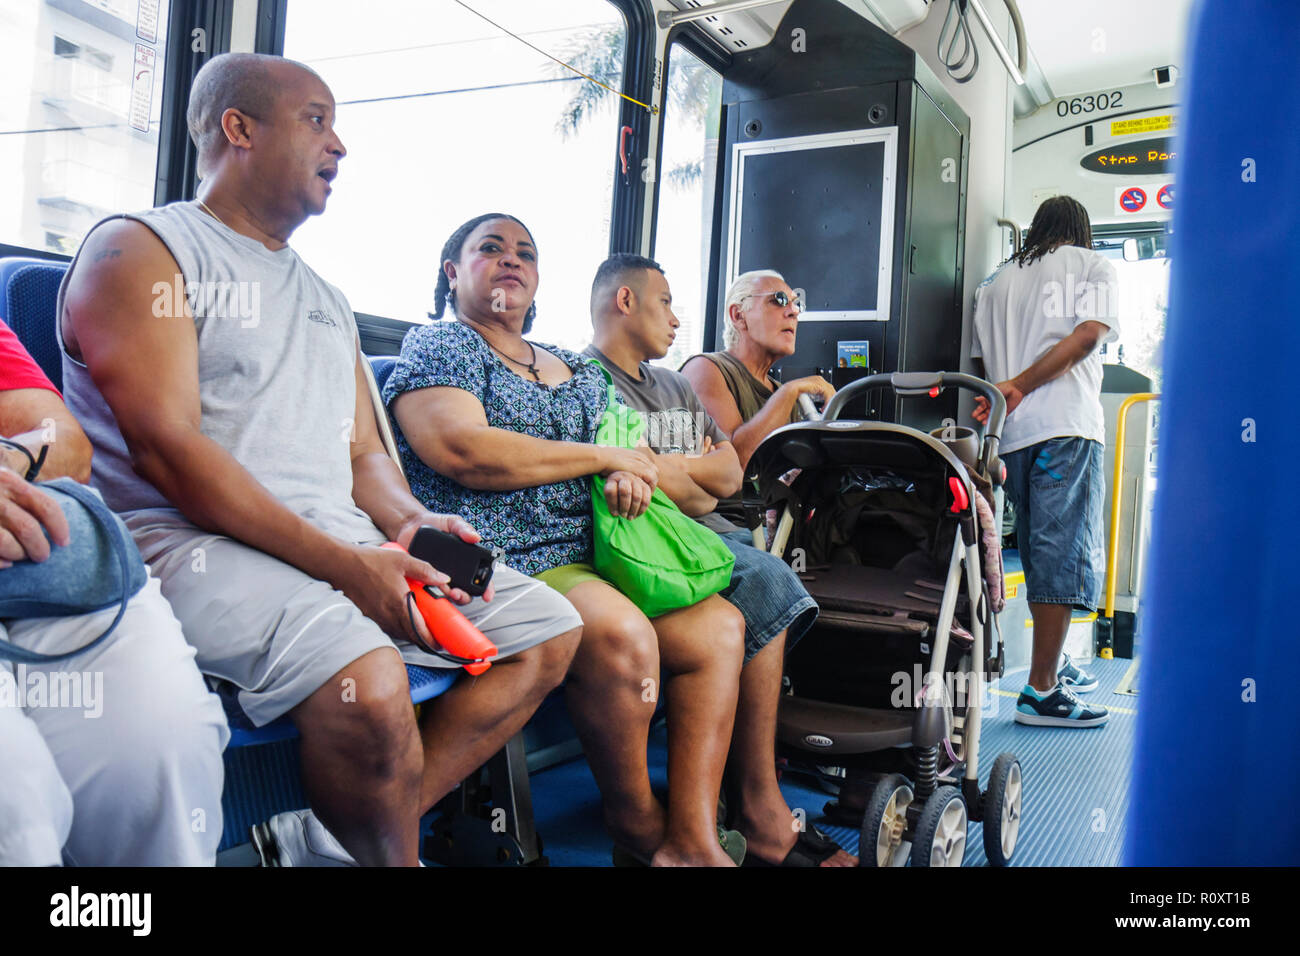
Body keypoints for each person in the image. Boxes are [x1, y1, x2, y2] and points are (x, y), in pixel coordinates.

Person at [56, 53, 581, 867]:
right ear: (240, 128)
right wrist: (346, 567)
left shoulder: (326, 298)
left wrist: (410, 525)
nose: (340, 146)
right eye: (317, 121)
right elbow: (171, 454)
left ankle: (334, 843)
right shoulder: (141, 250)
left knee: (547, 629)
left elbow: (363, 455)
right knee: (369, 683)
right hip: (187, 544)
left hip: (338, 539)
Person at [384, 213, 748, 867]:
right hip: (482, 549)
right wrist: (601, 460)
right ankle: (637, 828)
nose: (510, 260)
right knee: (624, 635)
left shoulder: (575, 369)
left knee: (719, 629)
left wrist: (625, 480)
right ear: (452, 272)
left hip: (589, 548)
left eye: (525, 251)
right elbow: (461, 450)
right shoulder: (442, 347)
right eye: (489, 249)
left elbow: (626, 454)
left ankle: (692, 839)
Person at [583, 253, 855, 866]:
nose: (679, 321)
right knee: (768, 580)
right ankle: (758, 805)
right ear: (626, 302)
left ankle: (752, 796)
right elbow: (641, 473)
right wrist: (685, 474)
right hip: (655, 535)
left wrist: (672, 471)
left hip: (708, 525)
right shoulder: (590, 379)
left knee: (784, 569)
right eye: (667, 303)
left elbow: (726, 475)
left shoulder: (672, 387)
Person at [0, 322, 228, 865]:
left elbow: (66, 443)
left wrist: (10, 459)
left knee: (160, 745)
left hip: (31, 561)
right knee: (16, 806)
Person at [970, 194, 1117, 728]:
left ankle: (1053, 665)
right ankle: (1041, 689)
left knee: (1037, 551)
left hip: (1013, 439)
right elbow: (1086, 338)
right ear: (1081, 229)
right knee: (1061, 552)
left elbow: (984, 366)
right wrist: (1020, 386)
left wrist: (1006, 391)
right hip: (1066, 427)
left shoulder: (994, 283)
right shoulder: (1093, 265)